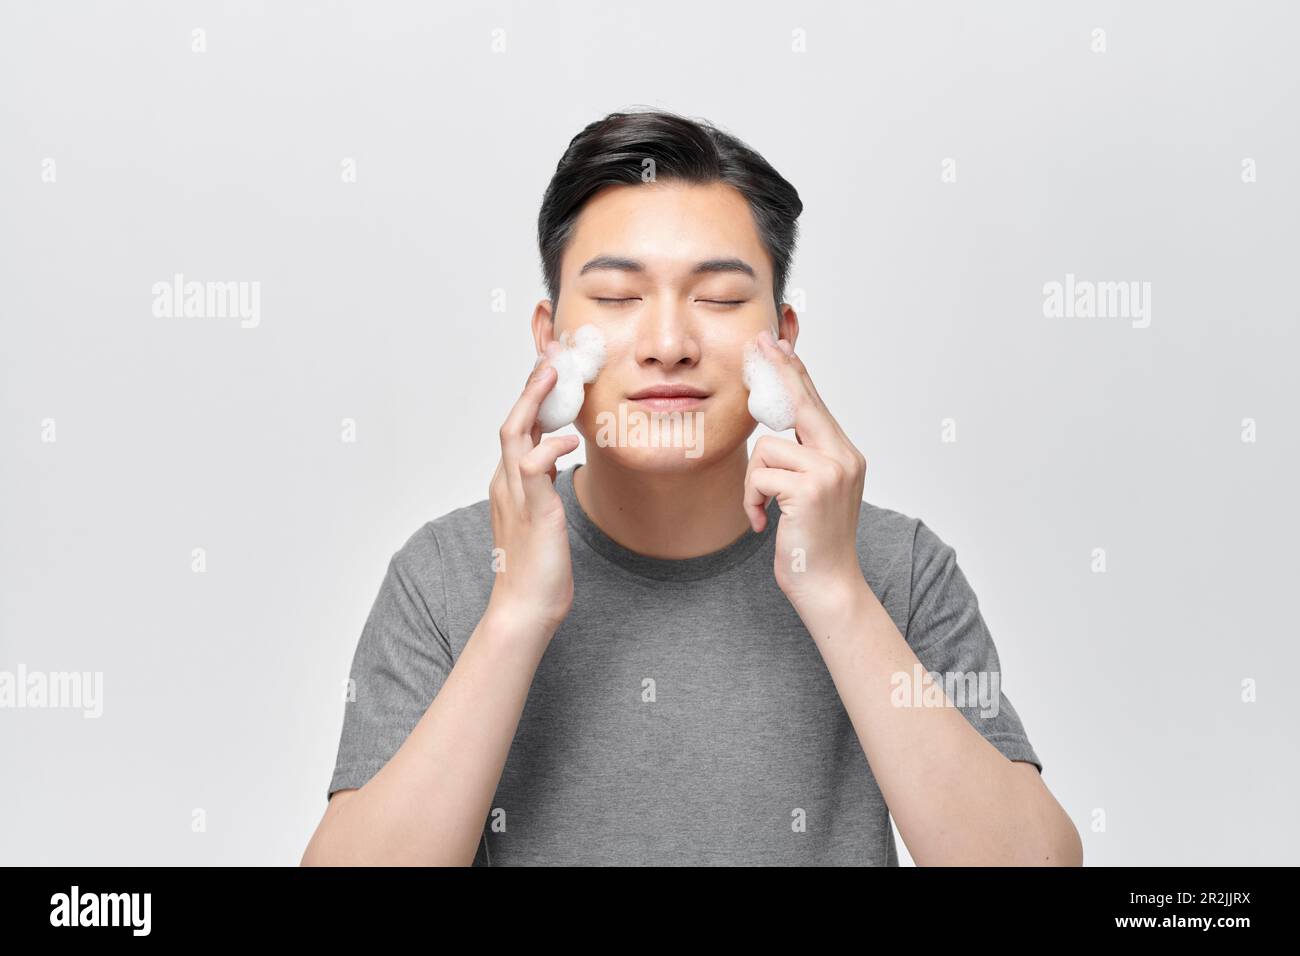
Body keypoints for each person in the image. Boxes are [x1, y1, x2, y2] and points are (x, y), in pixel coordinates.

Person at [300, 108, 1082, 866]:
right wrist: (515, 616)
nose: (668, 344)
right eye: (615, 299)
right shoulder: (447, 573)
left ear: (782, 340)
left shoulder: (896, 566)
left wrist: (839, 592)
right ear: (550, 342)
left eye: (717, 299)